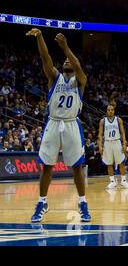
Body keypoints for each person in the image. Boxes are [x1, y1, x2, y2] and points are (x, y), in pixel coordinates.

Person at [26, 28, 91, 223]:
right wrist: (39, 37)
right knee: (46, 166)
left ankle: (82, 202)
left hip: (72, 125)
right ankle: (42, 202)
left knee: (77, 167)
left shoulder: (80, 81)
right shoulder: (55, 77)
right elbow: (45, 56)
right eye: (65, 60)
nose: (66, 61)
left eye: (70, 60)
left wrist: (65, 47)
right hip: (53, 123)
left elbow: (78, 65)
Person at [98, 105, 128, 189]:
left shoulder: (118, 120)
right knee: (109, 163)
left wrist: (124, 144)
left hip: (117, 142)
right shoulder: (103, 121)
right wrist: (100, 146)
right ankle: (112, 182)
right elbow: (100, 135)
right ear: (106, 111)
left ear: (114, 111)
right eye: (108, 110)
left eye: (112, 110)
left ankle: (123, 181)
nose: (110, 111)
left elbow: (122, 132)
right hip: (107, 143)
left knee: (121, 162)